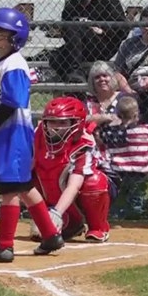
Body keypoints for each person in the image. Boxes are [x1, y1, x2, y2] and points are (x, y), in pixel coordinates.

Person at [0, 7, 64, 263]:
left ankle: (4, 247)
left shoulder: (15, 63)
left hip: (13, 132)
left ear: (16, 37)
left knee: (9, 188)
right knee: (23, 186)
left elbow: (13, 101)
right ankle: (50, 235)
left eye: (2, 32)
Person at [31, 97, 112, 243]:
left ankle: (98, 227)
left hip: (83, 187)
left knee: (94, 181)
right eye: (52, 121)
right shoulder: (38, 135)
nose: (55, 127)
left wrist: (56, 213)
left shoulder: (83, 142)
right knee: (31, 177)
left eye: (62, 122)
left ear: (76, 123)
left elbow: (74, 186)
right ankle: (72, 223)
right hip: (52, 189)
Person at [49, 0, 127, 83]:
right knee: (55, 58)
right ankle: (76, 81)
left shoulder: (108, 1)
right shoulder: (71, 6)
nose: (81, 5)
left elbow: (123, 30)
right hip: (77, 47)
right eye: (78, 2)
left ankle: (75, 71)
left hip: (103, 44)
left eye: (84, 1)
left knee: (74, 27)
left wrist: (104, 30)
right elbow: (65, 29)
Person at [95, 95, 148, 221]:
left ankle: (115, 215)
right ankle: (134, 216)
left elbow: (99, 139)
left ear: (118, 115)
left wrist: (106, 121)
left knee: (118, 196)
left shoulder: (111, 133)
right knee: (136, 196)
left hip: (118, 170)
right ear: (137, 114)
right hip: (140, 171)